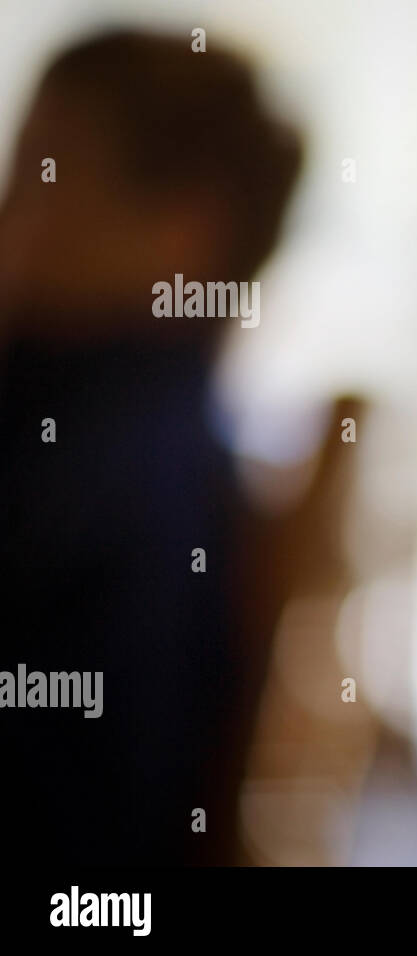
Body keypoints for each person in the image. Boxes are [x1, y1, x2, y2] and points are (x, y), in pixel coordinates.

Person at [0, 29, 302, 865]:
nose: (9, 212)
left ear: (182, 235)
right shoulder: (151, 431)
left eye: (43, 172)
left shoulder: (112, 460)